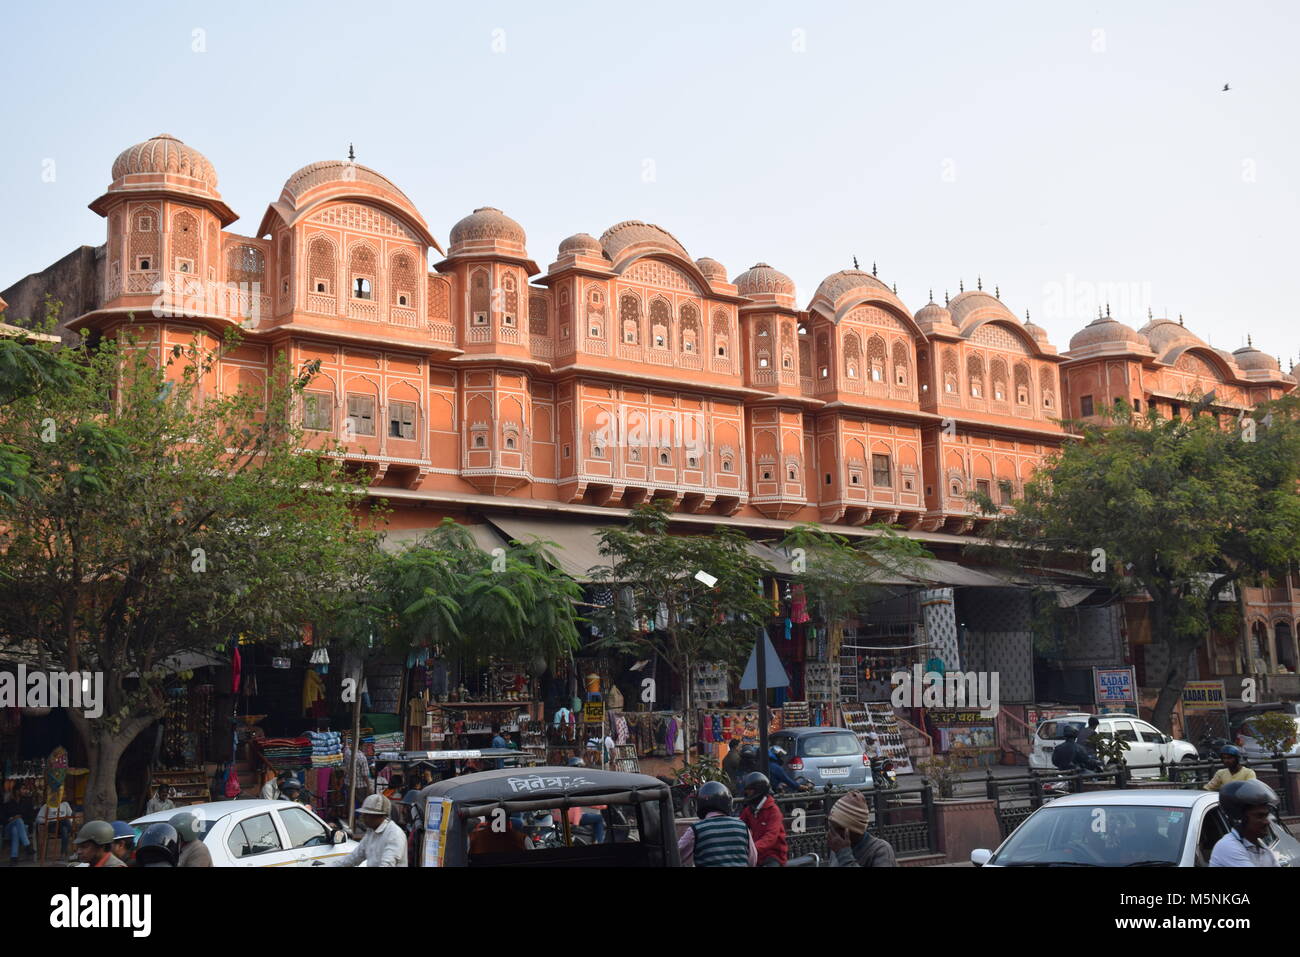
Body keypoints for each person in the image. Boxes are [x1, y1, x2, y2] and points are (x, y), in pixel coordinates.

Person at [677, 781, 756, 867]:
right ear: (728, 802)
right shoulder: (742, 827)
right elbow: (753, 860)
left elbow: (676, 856)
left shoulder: (697, 829)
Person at [1210, 779, 1280, 867]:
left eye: (1266, 816)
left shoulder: (1263, 849)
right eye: (1259, 816)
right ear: (1242, 819)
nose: (1267, 822)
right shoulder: (1228, 846)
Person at [329, 793, 407, 867]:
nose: (363, 818)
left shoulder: (394, 834)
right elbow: (355, 856)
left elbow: (387, 863)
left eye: (367, 815)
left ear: (380, 816)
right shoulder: (371, 832)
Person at [826, 790, 897, 867]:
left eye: (837, 828)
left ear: (853, 830)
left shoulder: (880, 850)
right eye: (831, 826)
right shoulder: (837, 846)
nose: (832, 833)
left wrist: (844, 855)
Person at [739, 772, 787, 867]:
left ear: (758, 791)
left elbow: (770, 837)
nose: (747, 794)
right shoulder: (749, 810)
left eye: (750, 791)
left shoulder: (773, 811)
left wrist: (752, 849)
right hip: (756, 854)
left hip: (773, 855)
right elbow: (740, 826)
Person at [3, 783, 35, 864]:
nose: (25, 791)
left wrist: (20, 818)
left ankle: (14, 858)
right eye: (23, 789)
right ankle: (27, 845)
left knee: (16, 829)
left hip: (24, 828)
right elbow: (2, 817)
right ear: (17, 791)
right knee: (17, 822)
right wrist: (12, 818)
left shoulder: (27, 801)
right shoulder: (8, 803)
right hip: (8, 827)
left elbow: (31, 817)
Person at [36, 792, 74, 859]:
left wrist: (69, 821)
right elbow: (38, 819)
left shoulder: (65, 804)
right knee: (64, 821)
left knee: (64, 829)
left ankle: (62, 854)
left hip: (62, 826)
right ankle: (72, 830)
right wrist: (48, 821)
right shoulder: (47, 805)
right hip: (52, 825)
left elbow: (70, 816)